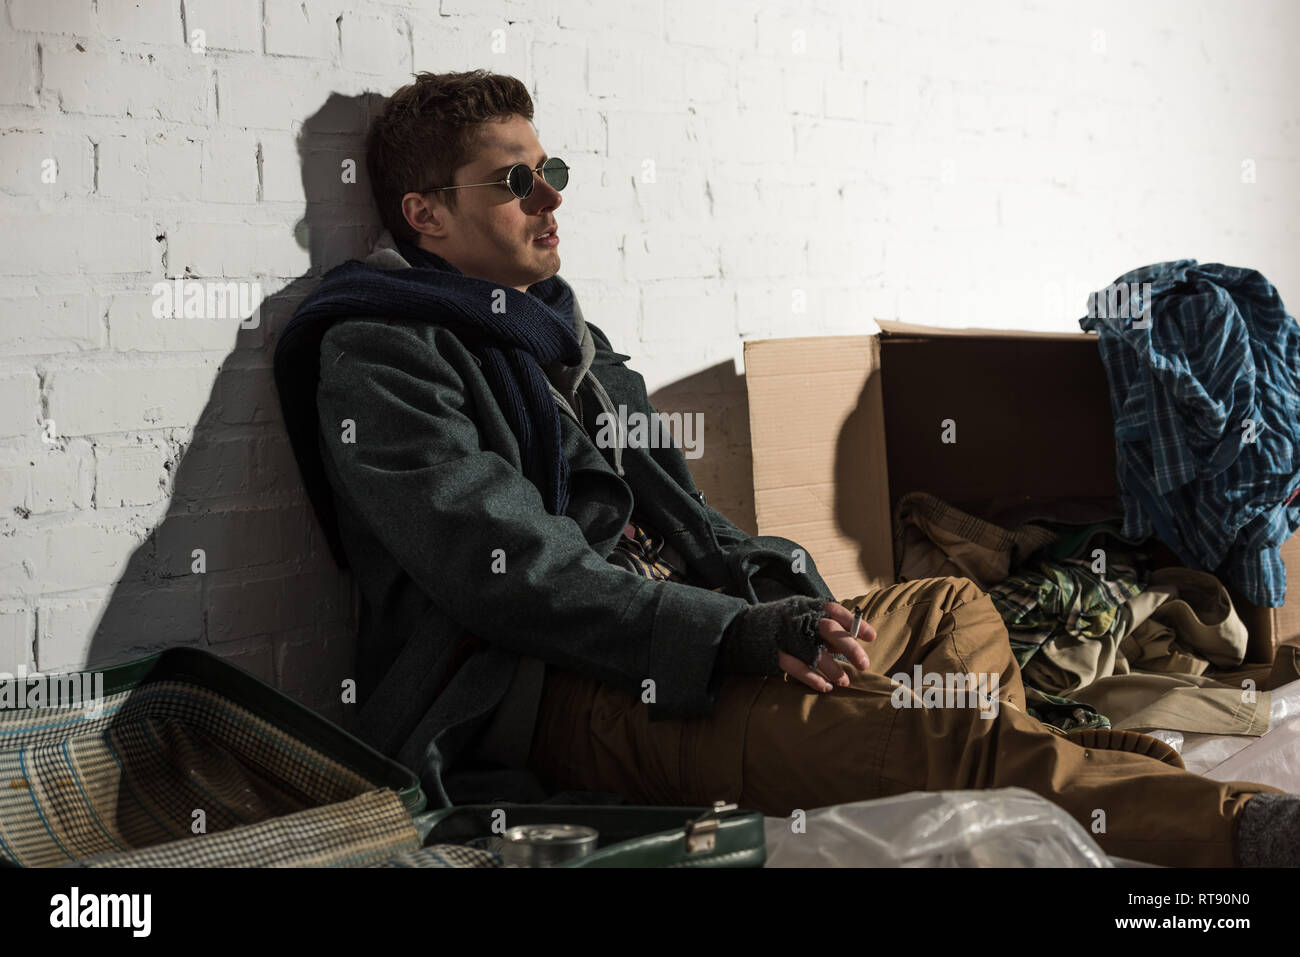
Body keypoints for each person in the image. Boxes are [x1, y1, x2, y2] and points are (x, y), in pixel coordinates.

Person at [273, 69, 1300, 868]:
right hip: (564, 685)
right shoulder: (380, 354)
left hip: (687, 621)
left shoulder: (562, 338)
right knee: (936, 736)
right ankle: (1238, 829)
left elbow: (686, 522)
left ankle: (1012, 775)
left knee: (950, 608)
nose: (548, 198)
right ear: (424, 214)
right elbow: (510, 572)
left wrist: (782, 602)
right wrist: (733, 637)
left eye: (552, 172)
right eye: (513, 180)